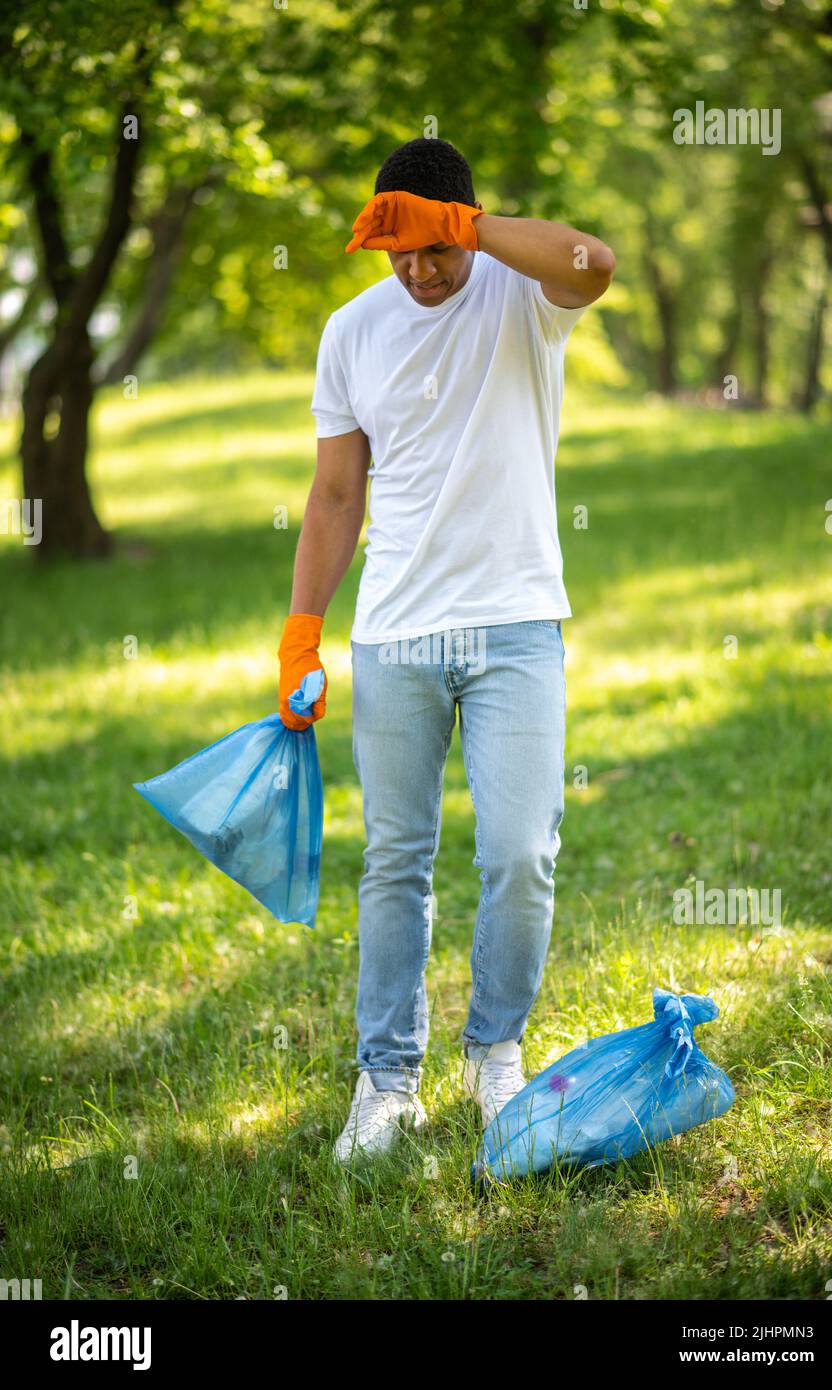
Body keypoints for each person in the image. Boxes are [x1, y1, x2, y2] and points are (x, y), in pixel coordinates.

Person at [277, 137, 615, 1161]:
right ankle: (386, 1083)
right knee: (396, 861)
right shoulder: (351, 330)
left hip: (516, 620)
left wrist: (469, 234)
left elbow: (593, 263)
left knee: (521, 853)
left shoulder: (519, 294)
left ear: (466, 228)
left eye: (437, 250)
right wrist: (302, 631)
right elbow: (338, 496)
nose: (420, 273)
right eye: (402, 253)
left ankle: (494, 1053)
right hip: (396, 633)